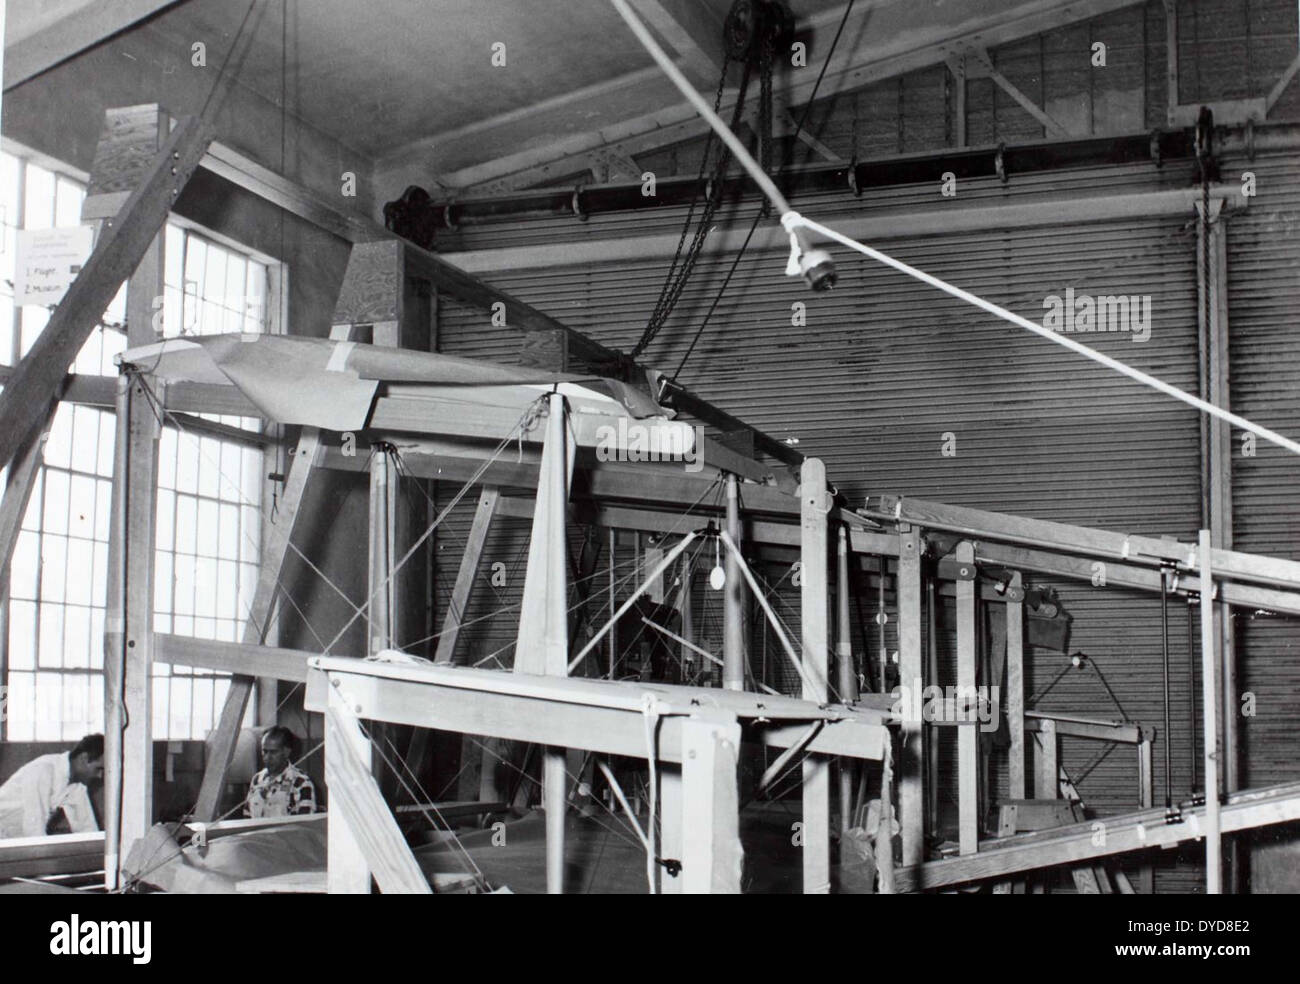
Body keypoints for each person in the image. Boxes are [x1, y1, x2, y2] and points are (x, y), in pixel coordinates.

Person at [0, 734, 104, 838]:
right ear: (84, 758)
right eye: (99, 768)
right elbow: (34, 826)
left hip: (12, 837)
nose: (100, 776)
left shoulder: (77, 786)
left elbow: (87, 828)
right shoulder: (43, 770)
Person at [243, 726, 317, 818]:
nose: (267, 758)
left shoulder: (301, 783)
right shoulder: (257, 780)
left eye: (273, 752)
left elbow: (305, 824)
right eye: (264, 751)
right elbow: (247, 816)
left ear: (286, 752)